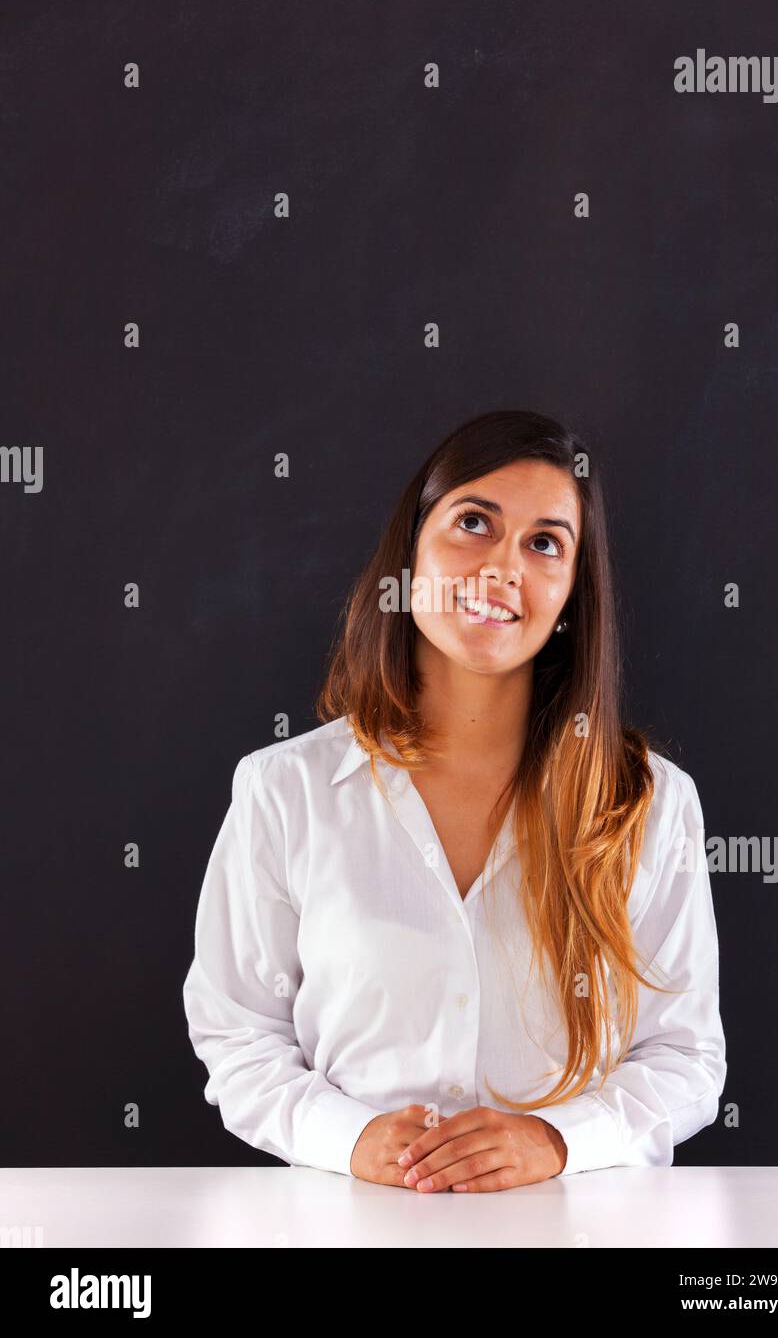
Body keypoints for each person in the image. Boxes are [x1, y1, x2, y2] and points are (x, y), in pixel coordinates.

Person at [182, 408, 726, 1192]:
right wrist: (352, 1138)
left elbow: (685, 1058)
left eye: (545, 543)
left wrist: (556, 1142)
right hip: (353, 1228)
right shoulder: (285, 791)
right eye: (475, 522)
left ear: (573, 592)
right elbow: (237, 1034)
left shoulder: (649, 803)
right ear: (411, 549)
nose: (502, 568)